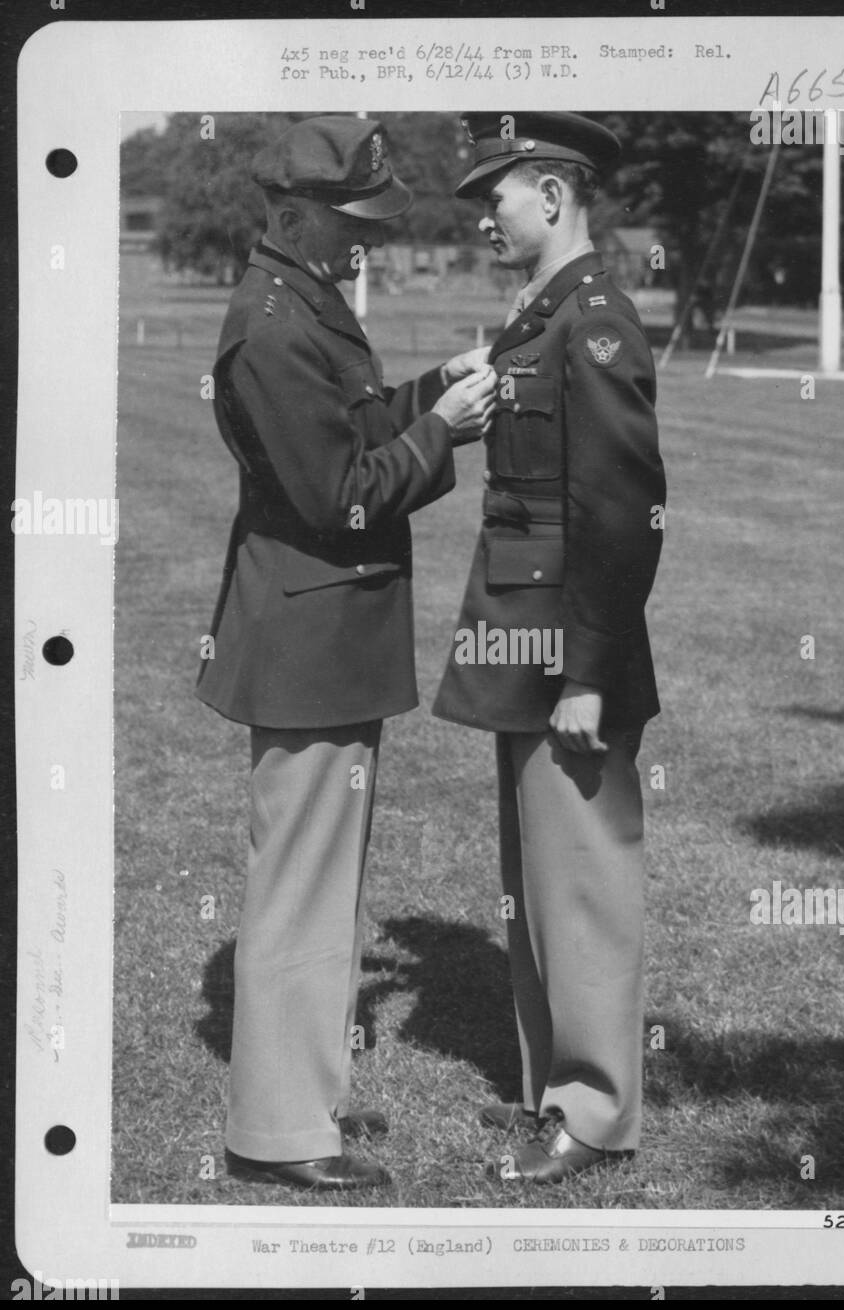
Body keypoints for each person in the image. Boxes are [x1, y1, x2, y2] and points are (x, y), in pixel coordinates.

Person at [197, 115, 494, 1192]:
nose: (364, 238)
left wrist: (427, 394)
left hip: (324, 633)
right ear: (291, 214)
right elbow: (341, 493)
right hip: (310, 635)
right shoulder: (272, 325)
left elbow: (348, 428)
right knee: (302, 890)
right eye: (350, 220)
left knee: (319, 886)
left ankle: (294, 1111)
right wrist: (445, 430)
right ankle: (277, 1133)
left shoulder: (299, 300)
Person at [433, 111, 666, 1185]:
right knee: (535, 879)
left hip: (564, 650)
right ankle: (550, 1096)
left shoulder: (596, 322)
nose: (486, 211)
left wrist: (587, 674)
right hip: (519, 631)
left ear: (556, 197)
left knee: (581, 883)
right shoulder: (543, 316)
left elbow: (619, 511)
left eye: (500, 193)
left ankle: (594, 1112)